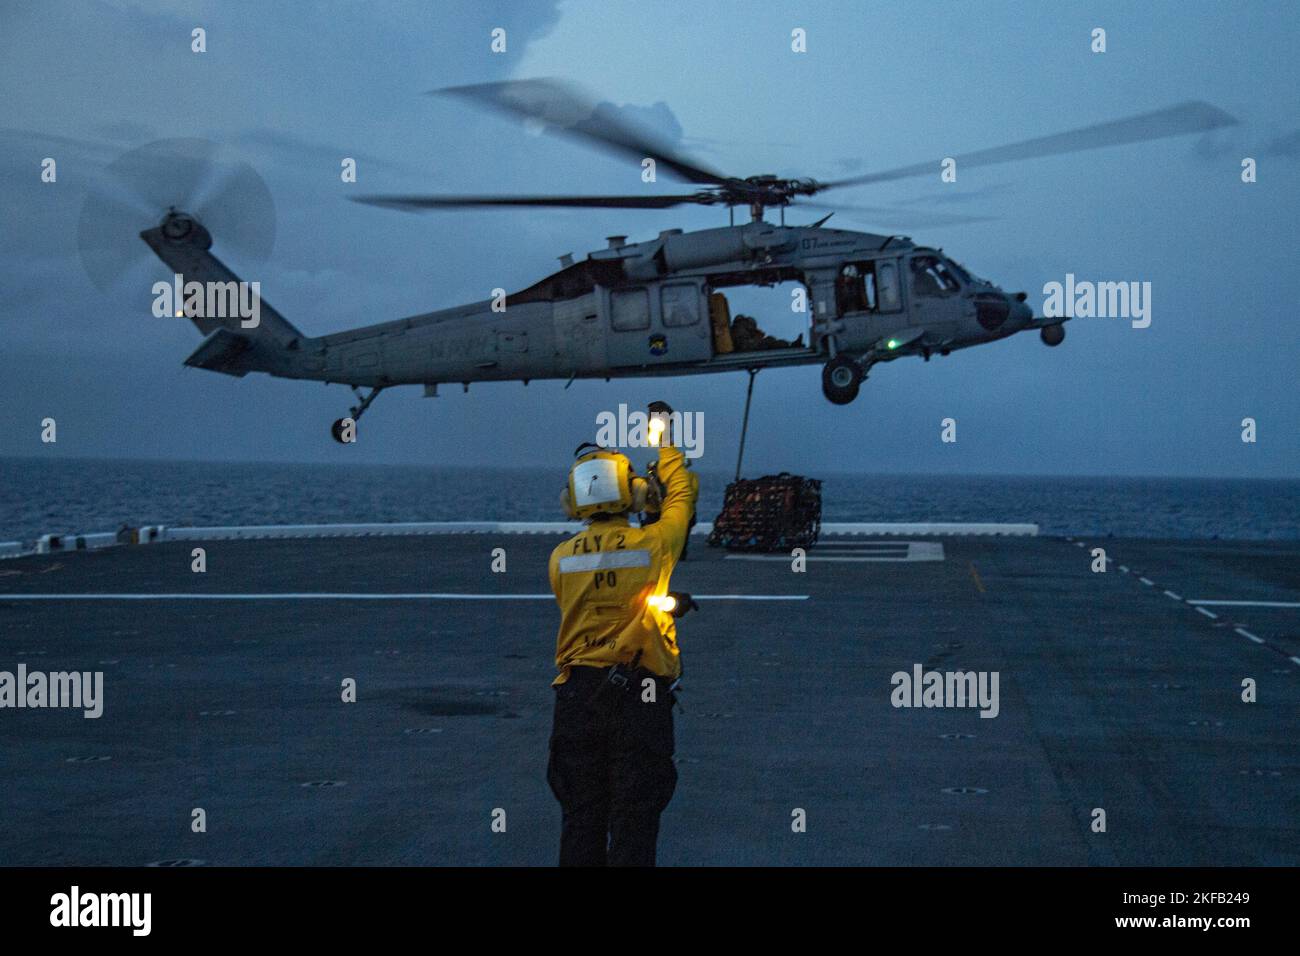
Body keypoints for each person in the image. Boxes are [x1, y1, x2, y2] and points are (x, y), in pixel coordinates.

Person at [546, 402, 699, 866]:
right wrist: (666, 442)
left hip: (577, 700)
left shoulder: (560, 559)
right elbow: (681, 496)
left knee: (580, 819)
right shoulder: (654, 545)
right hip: (639, 699)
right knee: (635, 821)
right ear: (632, 491)